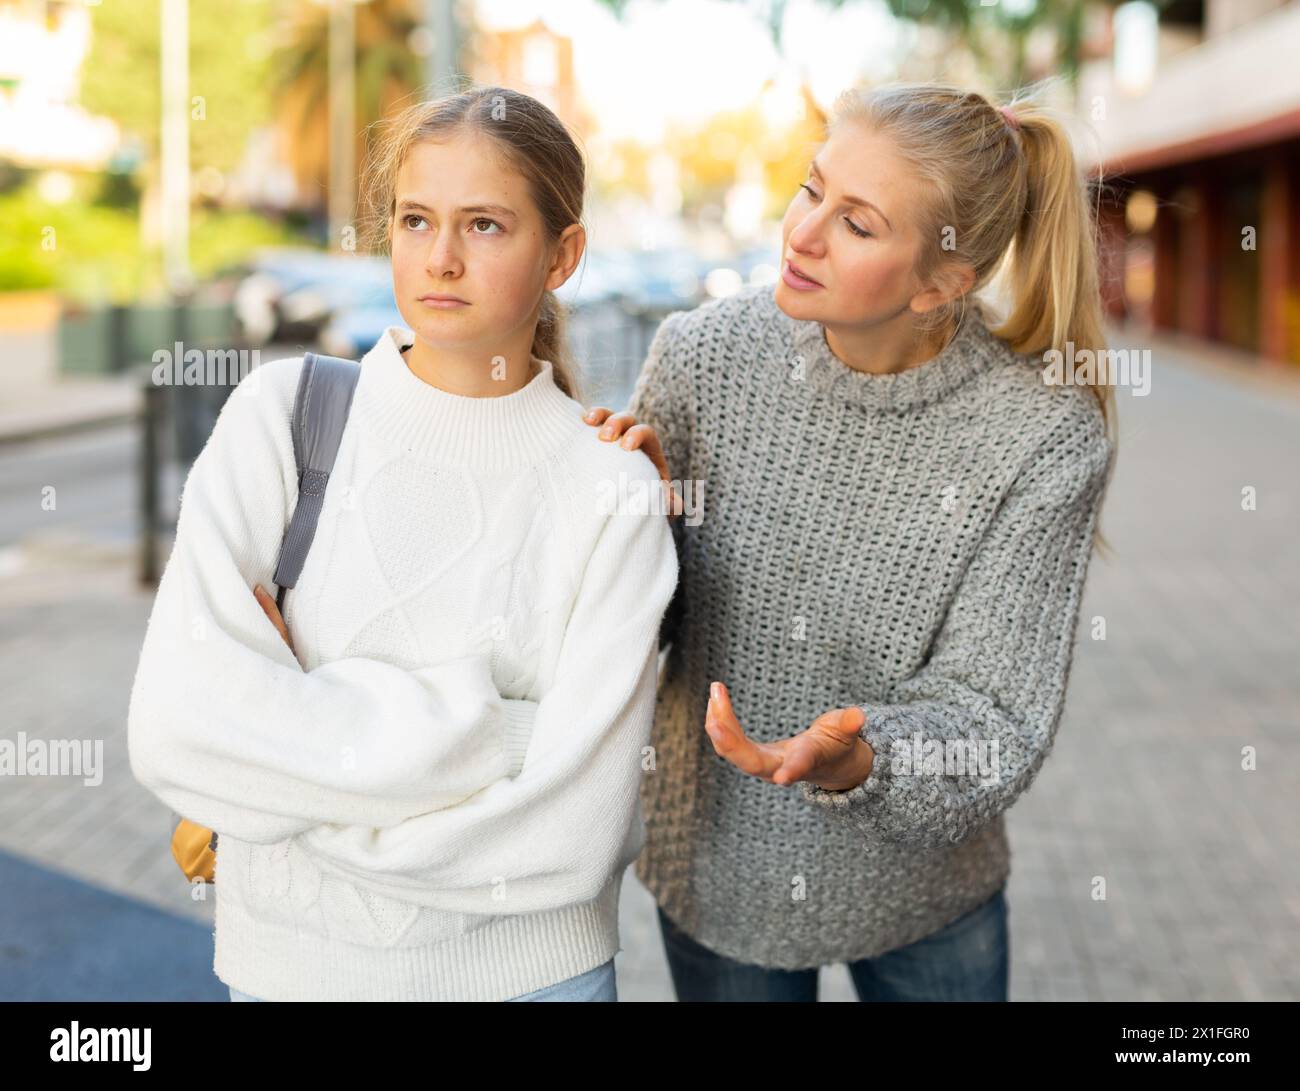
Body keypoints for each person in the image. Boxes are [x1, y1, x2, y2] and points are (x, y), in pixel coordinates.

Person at [127, 86, 678, 1002]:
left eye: (487, 226)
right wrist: (509, 734)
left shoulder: (613, 487)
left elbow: (570, 842)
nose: (442, 258)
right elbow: (179, 728)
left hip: (532, 982)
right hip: (288, 977)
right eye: (416, 219)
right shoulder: (281, 419)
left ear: (563, 254)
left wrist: (287, 763)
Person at [583, 80, 1118, 1001]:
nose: (803, 233)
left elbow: (994, 717)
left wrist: (860, 754)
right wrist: (633, 525)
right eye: (811, 189)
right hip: (724, 870)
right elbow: (641, 628)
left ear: (943, 280)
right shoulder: (701, 357)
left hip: (927, 897)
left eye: (859, 225)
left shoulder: (1043, 434)